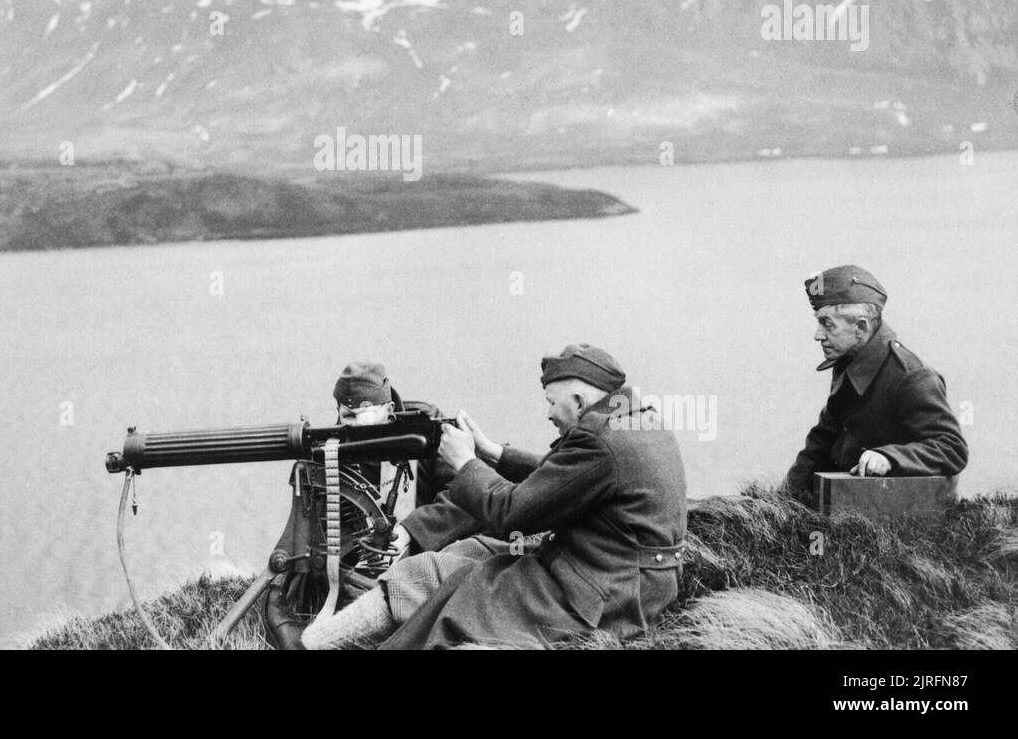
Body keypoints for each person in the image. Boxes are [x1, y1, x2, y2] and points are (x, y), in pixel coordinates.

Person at [302, 343, 688, 649]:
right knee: (469, 552)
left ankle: (323, 643)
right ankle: (324, 642)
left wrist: (466, 462)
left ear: (580, 403)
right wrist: (493, 453)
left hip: (607, 590)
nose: (548, 415)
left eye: (552, 404)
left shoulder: (599, 441)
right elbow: (567, 478)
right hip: (618, 570)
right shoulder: (632, 418)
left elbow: (512, 514)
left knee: (473, 589)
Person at [783, 265, 968, 498]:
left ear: (861, 327)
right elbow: (820, 443)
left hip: (899, 510)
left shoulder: (910, 376)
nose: (818, 335)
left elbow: (952, 448)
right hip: (852, 500)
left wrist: (890, 457)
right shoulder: (849, 361)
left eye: (827, 324)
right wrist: (782, 501)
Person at [332, 362, 451, 509]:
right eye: (348, 416)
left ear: (389, 410)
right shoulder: (331, 448)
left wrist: (410, 530)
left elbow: (460, 497)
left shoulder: (427, 427)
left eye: (365, 415)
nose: (355, 424)